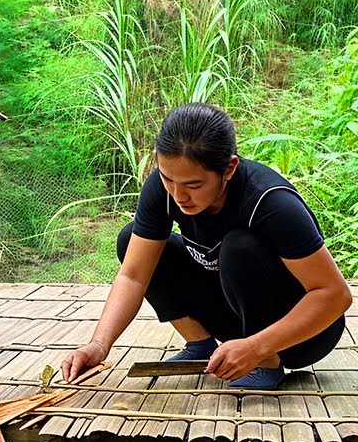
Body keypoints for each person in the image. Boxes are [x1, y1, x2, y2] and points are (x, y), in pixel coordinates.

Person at [62, 103, 351, 390]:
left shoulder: (270, 202)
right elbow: (133, 276)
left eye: (194, 184)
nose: (178, 195)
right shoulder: (163, 190)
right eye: (167, 178)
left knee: (239, 247)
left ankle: (266, 364)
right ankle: (200, 343)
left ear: (229, 168)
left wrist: (257, 347)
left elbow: (335, 295)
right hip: (237, 319)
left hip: (304, 334)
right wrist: (99, 344)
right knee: (132, 240)